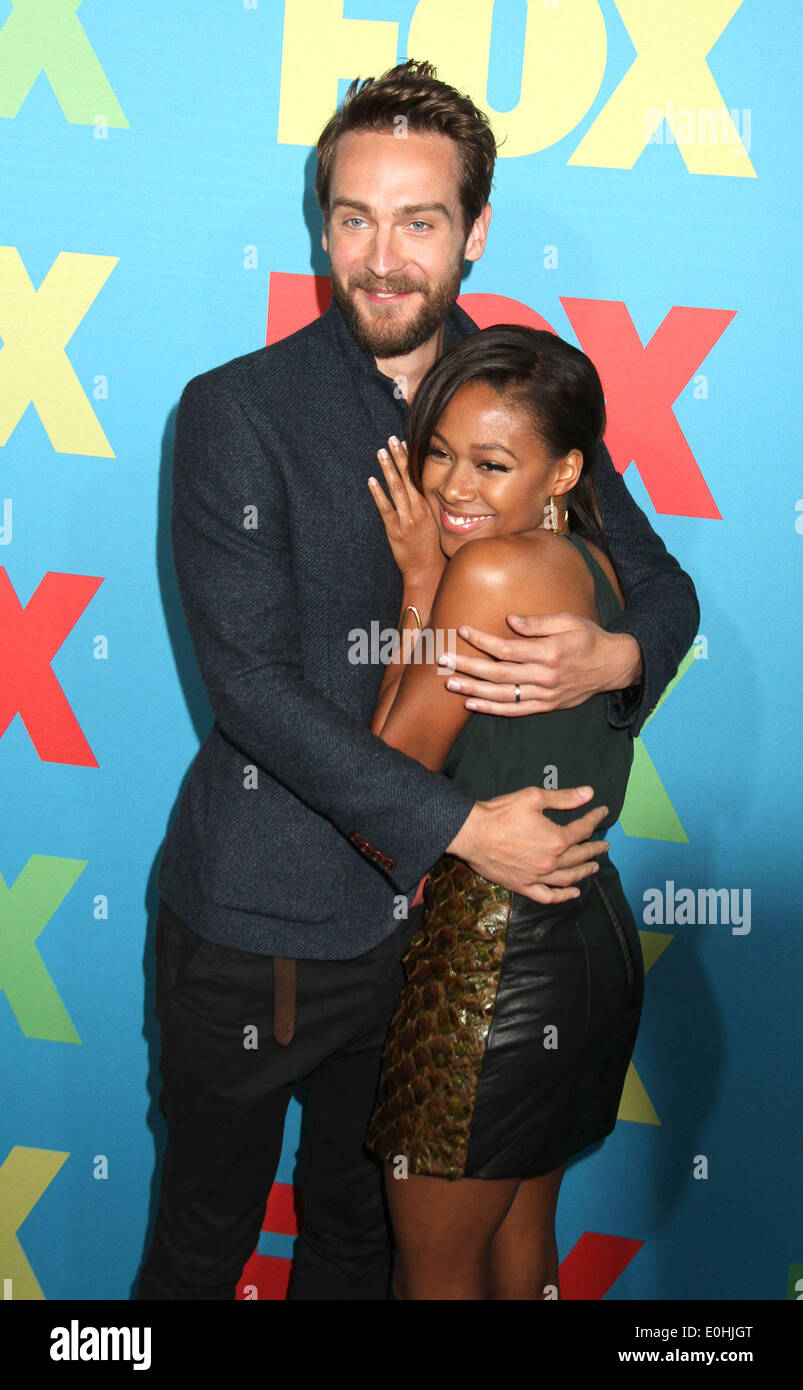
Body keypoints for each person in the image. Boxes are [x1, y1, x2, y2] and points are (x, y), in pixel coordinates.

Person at [136, 60, 698, 1302]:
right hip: (259, 932)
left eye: (419, 220)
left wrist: (615, 657)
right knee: (200, 1247)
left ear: (473, 231)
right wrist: (461, 828)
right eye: (353, 217)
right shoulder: (237, 412)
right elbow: (252, 690)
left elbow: (660, 589)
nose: (380, 258)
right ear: (321, 220)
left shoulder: (509, 392)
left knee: (358, 1245)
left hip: (422, 945)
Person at [365, 325, 645, 1300]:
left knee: (436, 1279)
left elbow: (386, 782)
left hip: (488, 962)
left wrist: (416, 584)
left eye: (491, 462)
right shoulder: (597, 571)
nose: (450, 486)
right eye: (438, 450)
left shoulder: (484, 574)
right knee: (520, 1243)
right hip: (587, 942)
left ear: (564, 468)